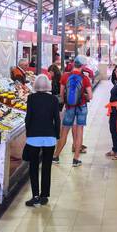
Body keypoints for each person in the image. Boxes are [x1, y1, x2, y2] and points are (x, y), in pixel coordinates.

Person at [24, 73, 60, 206]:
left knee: (33, 167)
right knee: (46, 167)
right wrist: (57, 136)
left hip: (34, 137)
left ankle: (35, 195)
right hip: (49, 137)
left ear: (35, 85)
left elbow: (28, 118)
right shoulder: (54, 100)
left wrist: (28, 133)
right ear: (48, 85)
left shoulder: (31, 98)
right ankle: (45, 195)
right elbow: (57, 119)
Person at [55, 56, 92, 167]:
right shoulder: (85, 78)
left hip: (69, 108)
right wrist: (83, 95)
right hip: (81, 107)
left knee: (64, 132)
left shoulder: (65, 76)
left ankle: (56, 156)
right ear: (83, 66)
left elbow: (61, 96)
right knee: (79, 132)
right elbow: (90, 96)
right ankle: (75, 159)